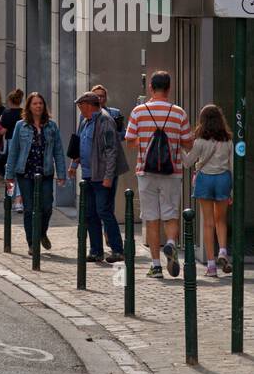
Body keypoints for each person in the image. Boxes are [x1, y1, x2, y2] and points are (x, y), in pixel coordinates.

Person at [125, 71, 193, 278]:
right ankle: (171, 243)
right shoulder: (178, 113)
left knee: (151, 218)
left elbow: (129, 141)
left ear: (150, 88)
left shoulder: (138, 111)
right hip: (172, 172)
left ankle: (155, 266)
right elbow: (188, 143)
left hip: (146, 171)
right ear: (169, 88)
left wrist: (145, 143)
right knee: (170, 214)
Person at [67, 92, 127, 264]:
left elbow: (111, 151)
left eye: (81, 105)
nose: (79, 109)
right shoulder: (86, 121)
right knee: (90, 214)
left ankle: (117, 250)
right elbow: (80, 145)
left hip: (101, 176)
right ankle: (96, 251)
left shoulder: (105, 120)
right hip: (89, 175)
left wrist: (108, 177)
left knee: (103, 211)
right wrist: (74, 165)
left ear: (89, 105)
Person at [5, 93, 66, 251]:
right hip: (25, 173)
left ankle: (42, 233)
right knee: (30, 208)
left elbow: (58, 151)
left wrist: (61, 174)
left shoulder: (52, 126)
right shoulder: (21, 125)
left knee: (46, 206)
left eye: (41, 103)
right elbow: (14, 151)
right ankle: (32, 243)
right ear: (29, 107)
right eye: (35, 104)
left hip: (45, 173)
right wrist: (9, 176)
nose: (38, 106)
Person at [183, 104, 234, 277]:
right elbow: (232, 166)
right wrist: (231, 191)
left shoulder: (199, 141)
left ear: (202, 121)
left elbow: (188, 162)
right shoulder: (228, 141)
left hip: (205, 179)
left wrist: (179, 149)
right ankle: (223, 251)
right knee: (221, 220)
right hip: (223, 180)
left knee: (208, 222)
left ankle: (211, 266)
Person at [0, 89, 24, 212]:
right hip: (23, 144)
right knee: (21, 173)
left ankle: (11, 196)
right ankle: (19, 200)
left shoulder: (6, 113)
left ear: (9, 100)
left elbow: (1, 131)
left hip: (10, 144)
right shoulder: (24, 113)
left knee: (11, 173)